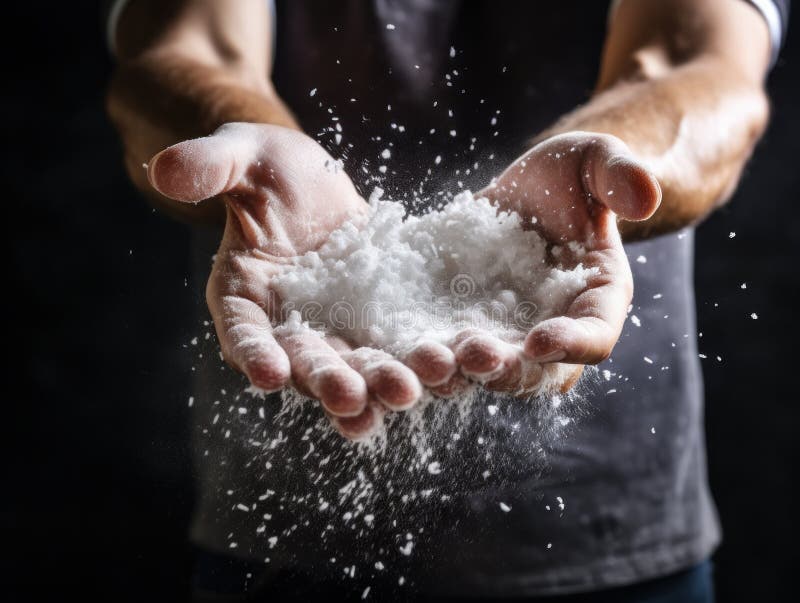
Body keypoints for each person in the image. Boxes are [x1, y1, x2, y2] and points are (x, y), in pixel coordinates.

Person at [107, 0, 787, 600]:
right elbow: (187, 50)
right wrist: (242, 137)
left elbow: (692, 63)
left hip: (618, 540)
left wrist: (612, 161)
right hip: (283, 539)